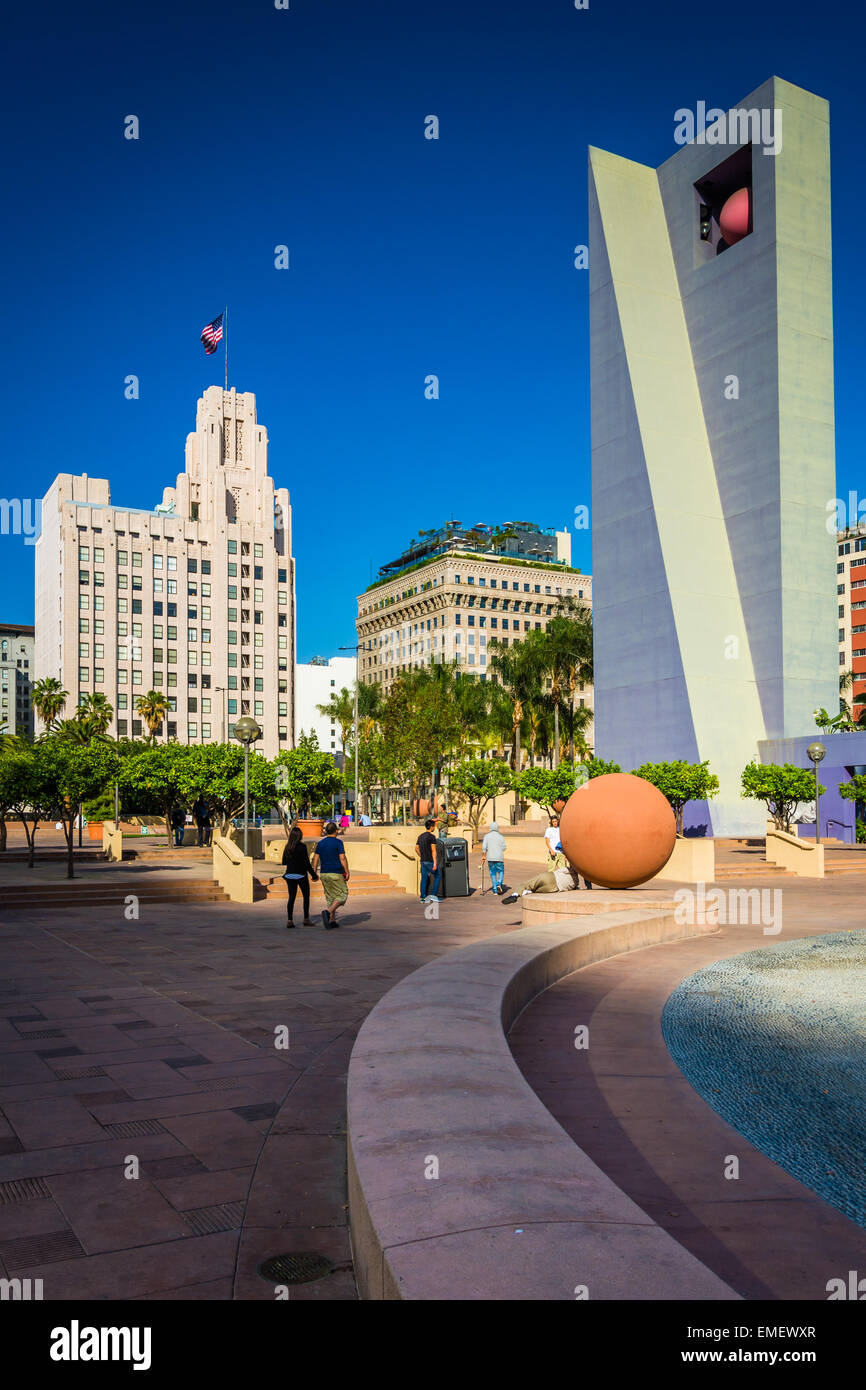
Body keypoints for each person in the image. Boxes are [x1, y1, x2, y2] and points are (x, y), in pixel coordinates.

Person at [311, 821, 350, 929]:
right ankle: (327, 912)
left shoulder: (321, 843)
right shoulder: (338, 843)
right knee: (343, 895)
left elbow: (316, 858)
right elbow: (342, 858)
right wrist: (346, 871)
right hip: (336, 872)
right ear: (336, 831)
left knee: (330, 897)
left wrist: (314, 872)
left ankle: (331, 921)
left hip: (324, 873)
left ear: (326, 831)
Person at [281, 825, 318, 928]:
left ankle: (289, 920)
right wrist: (314, 875)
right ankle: (306, 919)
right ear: (300, 836)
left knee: (291, 898)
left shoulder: (287, 847)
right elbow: (306, 863)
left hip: (289, 875)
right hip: (301, 875)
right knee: (306, 897)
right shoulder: (302, 847)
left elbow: (284, 862)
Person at [501, 863, 581, 903]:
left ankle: (515, 894)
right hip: (554, 888)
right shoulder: (576, 882)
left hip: (550, 877)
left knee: (527, 884)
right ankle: (526, 892)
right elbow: (572, 887)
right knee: (535, 890)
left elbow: (559, 871)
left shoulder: (567, 870)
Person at [415, 818, 440, 901]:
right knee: (438, 875)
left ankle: (422, 897)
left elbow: (416, 848)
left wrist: (422, 855)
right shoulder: (432, 837)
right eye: (434, 827)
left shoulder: (420, 836)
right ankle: (434, 895)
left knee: (424, 878)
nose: (434, 828)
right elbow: (433, 850)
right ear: (431, 827)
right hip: (430, 861)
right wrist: (435, 863)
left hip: (423, 861)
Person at [481, 821, 507, 895]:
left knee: (493, 873)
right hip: (499, 858)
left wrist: (483, 855)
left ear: (490, 828)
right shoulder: (501, 837)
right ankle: (499, 883)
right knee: (501, 871)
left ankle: (495, 890)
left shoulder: (486, 836)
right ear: (497, 828)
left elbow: (484, 847)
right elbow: (504, 848)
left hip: (490, 858)